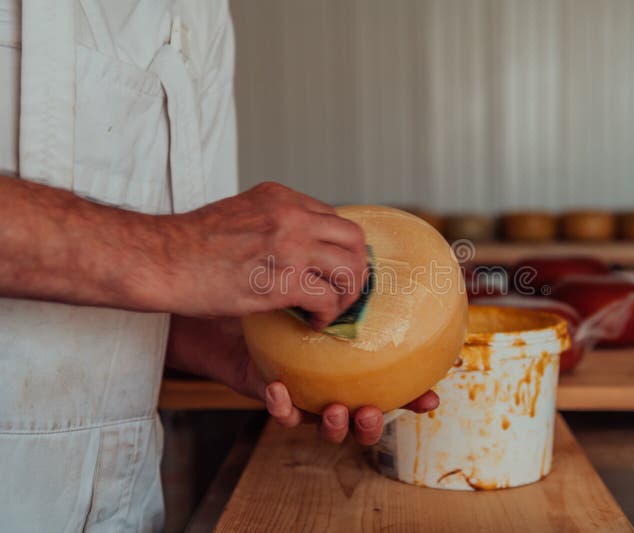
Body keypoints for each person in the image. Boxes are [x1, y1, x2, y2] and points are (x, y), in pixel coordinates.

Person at [0, 1, 436, 530]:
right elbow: (181, 253)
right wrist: (170, 251)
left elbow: (187, 278)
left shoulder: (198, 12)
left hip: (118, 505)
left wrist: (229, 342)